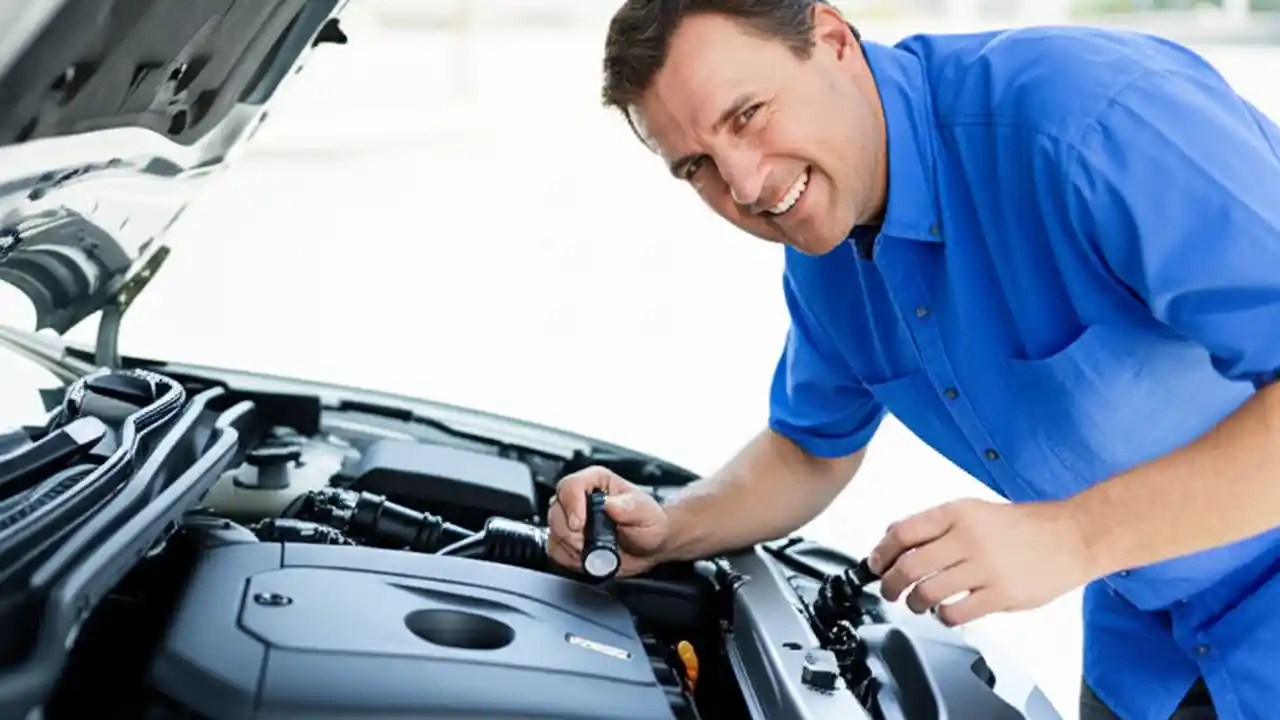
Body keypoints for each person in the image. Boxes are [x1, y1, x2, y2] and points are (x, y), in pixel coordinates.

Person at [543, 2, 1280, 718]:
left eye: (748, 114)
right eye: (698, 165)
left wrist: (1072, 536)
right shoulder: (827, 245)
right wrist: (669, 527)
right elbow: (809, 453)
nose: (743, 186)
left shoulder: (1092, 123)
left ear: (830, 39)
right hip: (1150, 654)